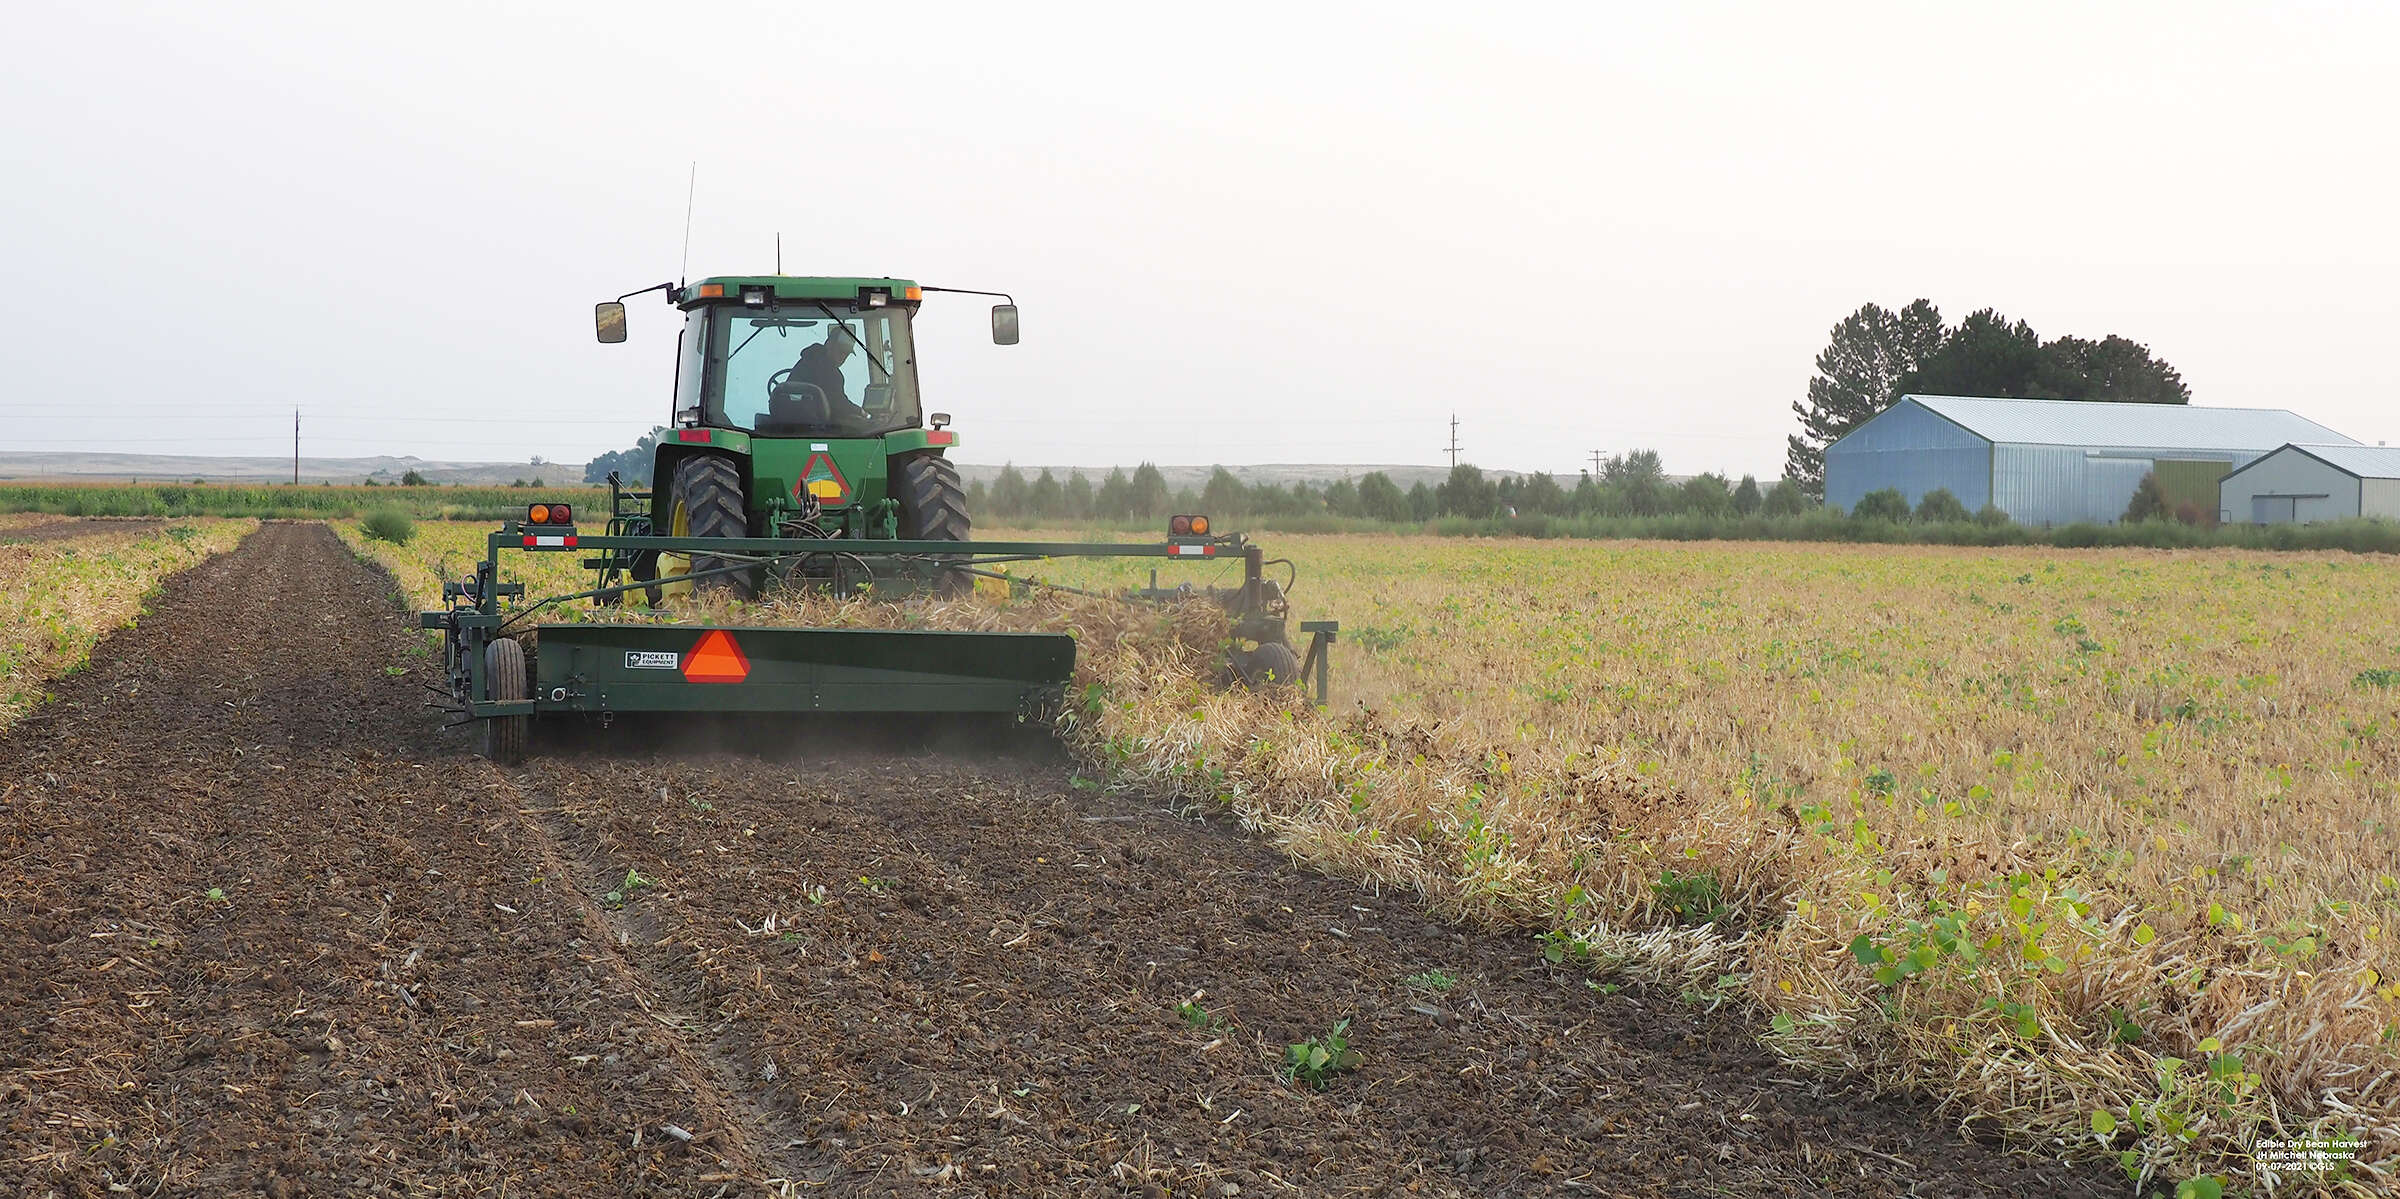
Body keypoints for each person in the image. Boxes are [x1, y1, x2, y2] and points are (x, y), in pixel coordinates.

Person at [768, 328, 869, 431]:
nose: (843, 357)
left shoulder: (805, 361)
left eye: (847, 354)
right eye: (841, 351)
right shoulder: (832, 373)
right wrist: (859, 412)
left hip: (786, 427)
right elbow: (838, 404)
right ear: (829, 345)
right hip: (817, 428)